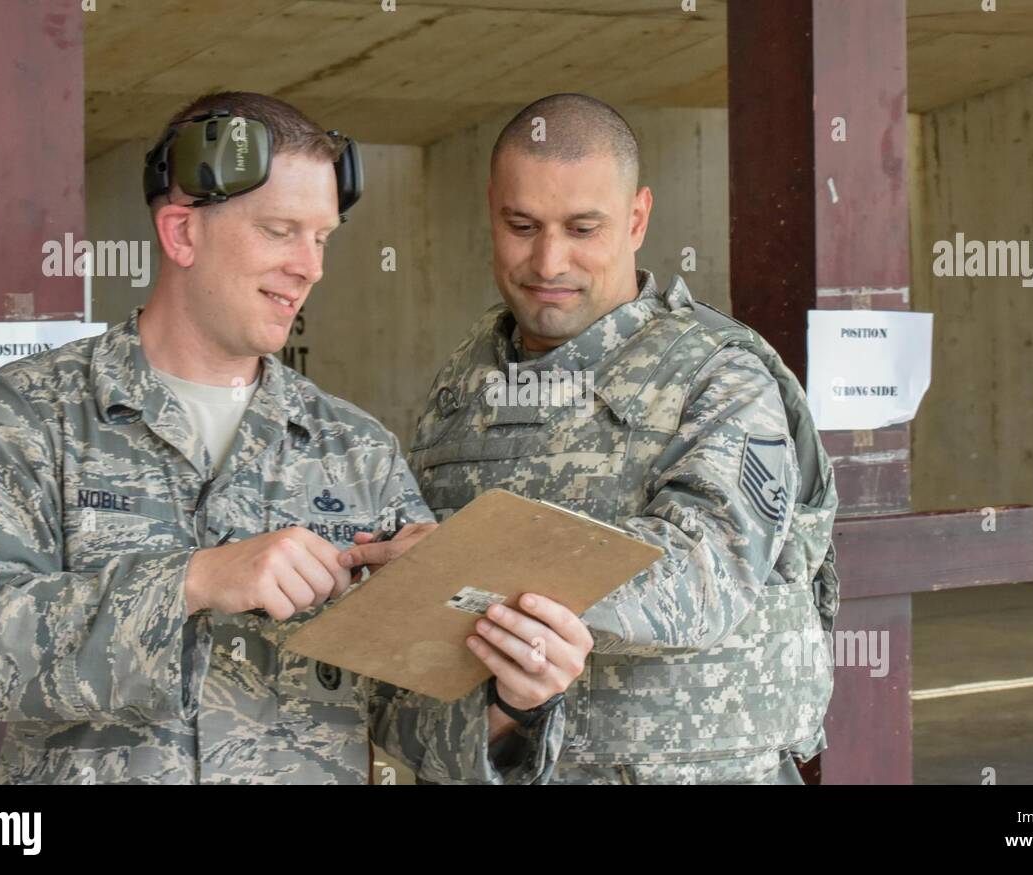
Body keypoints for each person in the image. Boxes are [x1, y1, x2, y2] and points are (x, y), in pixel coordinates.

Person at [0, 91, 591, 784]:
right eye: (281, 230)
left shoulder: (357, 451)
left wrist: (516, 697)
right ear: (181, 233)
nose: (311, 266)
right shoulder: (31, 413)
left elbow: (410, 721)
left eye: (322, 237)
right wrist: (196, 580)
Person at [342, 93, 840, 785]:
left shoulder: (720, 375)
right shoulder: (463, 383)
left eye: (583, 228)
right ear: (491, 208)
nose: (549, 261)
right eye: (522, 225)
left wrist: (469, 569)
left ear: (636, 219)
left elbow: (702, 575)